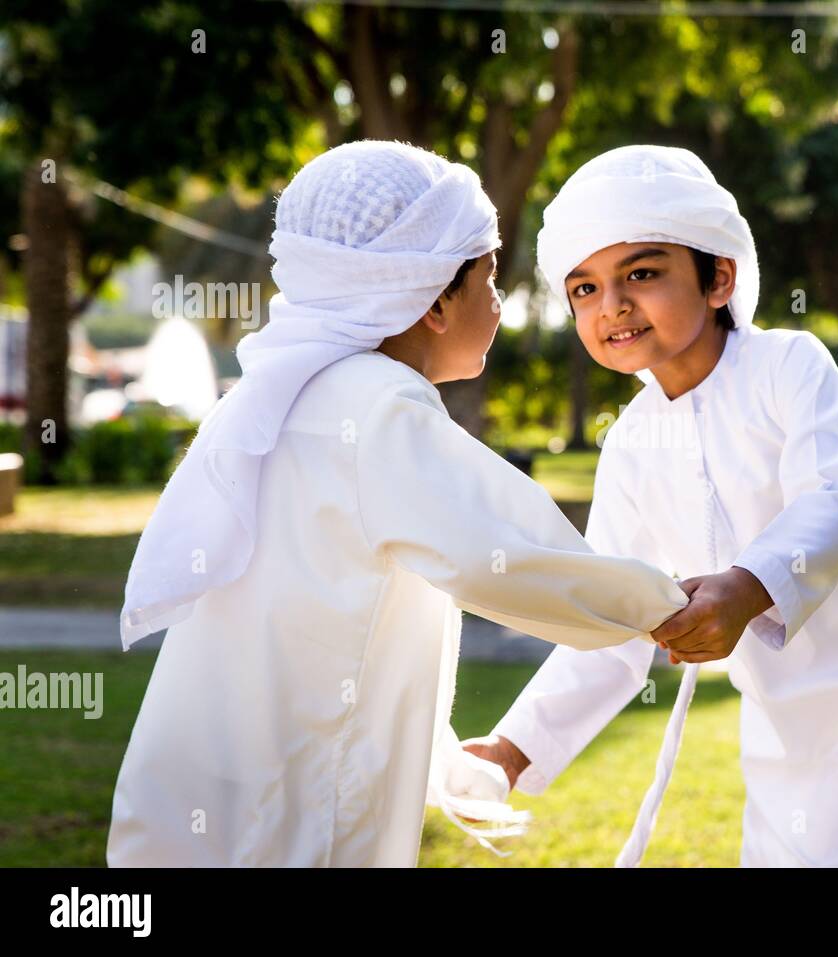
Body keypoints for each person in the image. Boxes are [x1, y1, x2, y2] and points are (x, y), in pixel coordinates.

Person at [107, 141, 688, 867]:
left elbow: (324, 627)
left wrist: (447, 762)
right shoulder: (379, 405)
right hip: (291, 834)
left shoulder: (287, 400)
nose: (501, 304)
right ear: (437, 299)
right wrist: (669, 606)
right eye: (490, 277)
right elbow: (503, 553)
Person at [469, 144, 838, 867]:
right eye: (583, 289)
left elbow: (834, 501)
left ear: (719, 277)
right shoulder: (631, 444)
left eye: (641, 273)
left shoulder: (791, 365)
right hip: (780, 708)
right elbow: (613, 623)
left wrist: (744, 589)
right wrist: (510, 752)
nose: (611, 305)